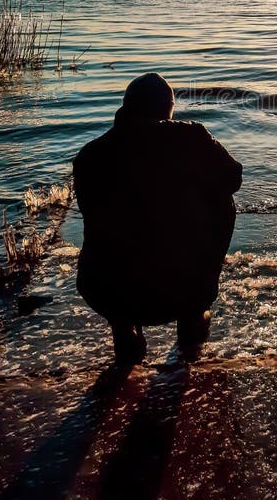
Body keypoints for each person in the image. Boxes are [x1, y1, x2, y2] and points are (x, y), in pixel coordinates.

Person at [73, 73, 242, 364]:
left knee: (114, 238)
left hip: (107, 288)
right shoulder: (193, 137)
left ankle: (126, 355)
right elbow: (233, 178)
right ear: (168, 108)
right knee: (223, 199)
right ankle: (189, 349)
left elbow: (91, 214)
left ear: (125, 108)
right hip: (183, 284)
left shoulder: (90, 155)